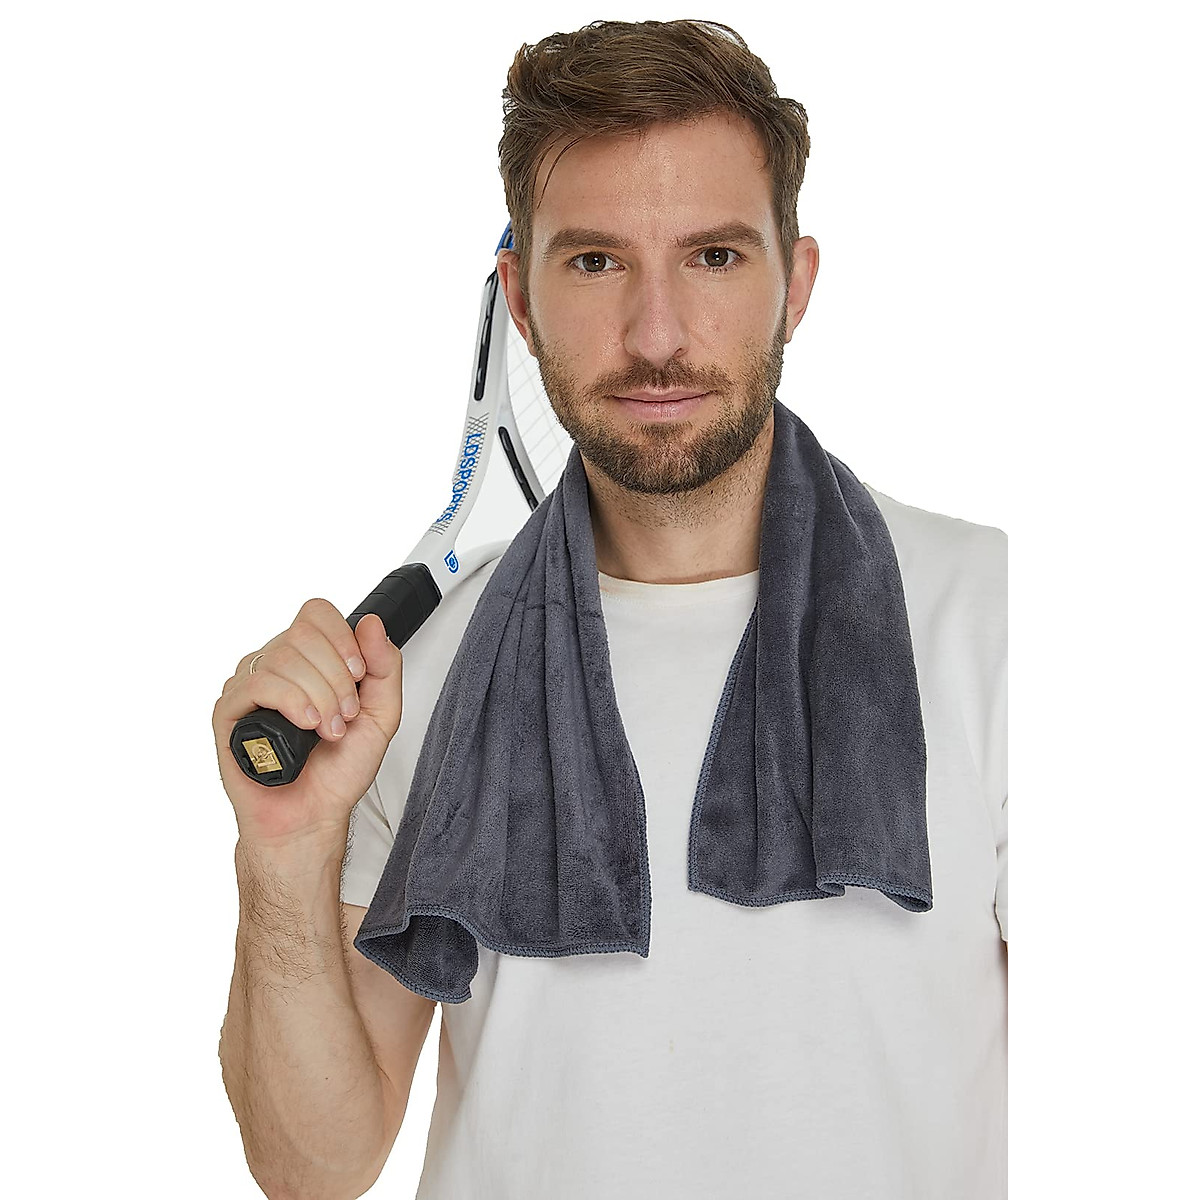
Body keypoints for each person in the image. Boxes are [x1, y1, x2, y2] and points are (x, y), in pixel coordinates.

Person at [214, 18, 1007, 1199]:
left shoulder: (998, 623)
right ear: (521, 300)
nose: (657, 336)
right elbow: (310, 1170)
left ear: (796, 284)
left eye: (714, 257)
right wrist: (284, 856)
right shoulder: (405, 686)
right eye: (594, 262)